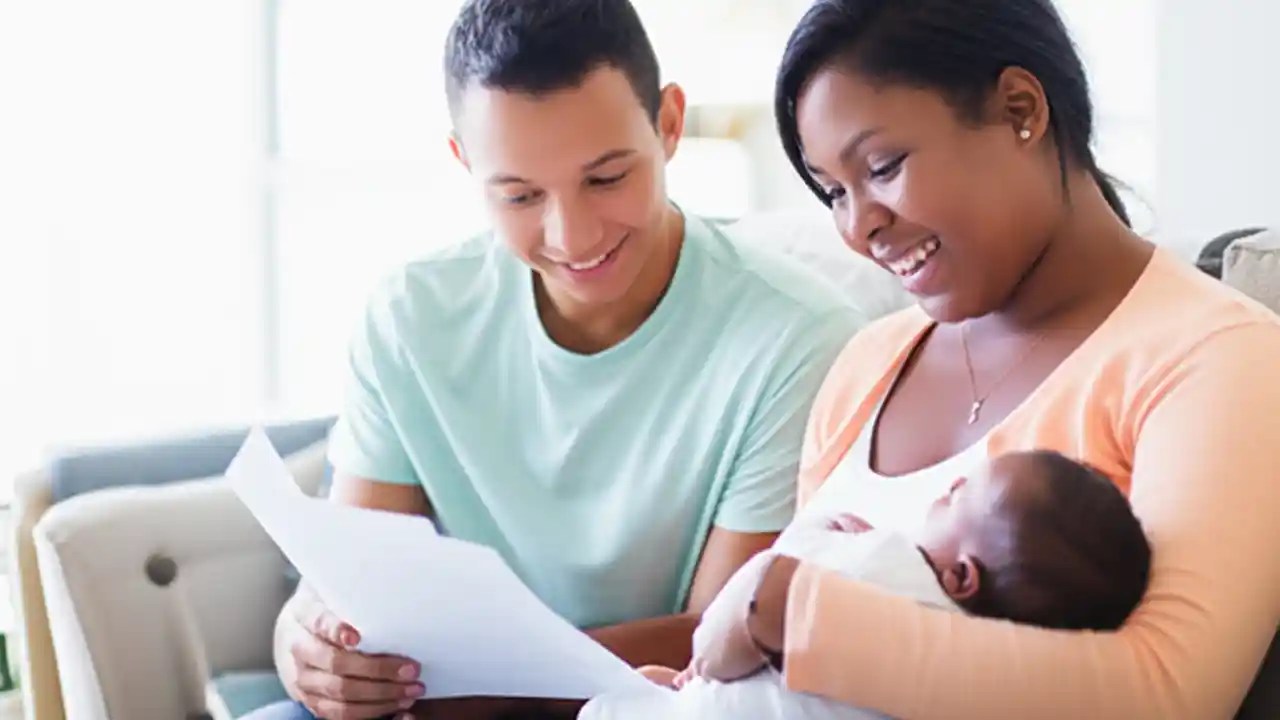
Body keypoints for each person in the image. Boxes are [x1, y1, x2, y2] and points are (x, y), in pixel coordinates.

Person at [245, 1, 860, 719]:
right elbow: (354, 586)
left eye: (605, 179)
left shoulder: (797, 336)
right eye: (520, 195)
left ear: (667, 126)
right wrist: (309, 644)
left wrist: (488, 693)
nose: (571, 235)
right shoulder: (410, 318)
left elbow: (724, 637)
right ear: (465, 162)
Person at [696, 1, 1280, 718]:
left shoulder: (1219, 356)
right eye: (833, 193)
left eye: (882, 167)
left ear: (1019, 110)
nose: (859, 225)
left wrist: (792, 614)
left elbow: (1164, 692)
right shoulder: (866, 363)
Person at [579, 450, 1153, 719]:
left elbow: (757, 596)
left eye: (960, 494)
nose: (950, 483)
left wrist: (827, 532)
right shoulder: (968, 682)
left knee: (610, 704)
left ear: (959, 576)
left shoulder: (883, 559)